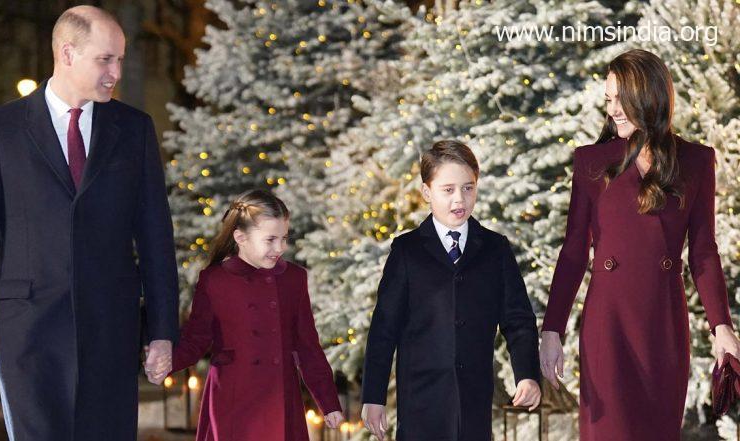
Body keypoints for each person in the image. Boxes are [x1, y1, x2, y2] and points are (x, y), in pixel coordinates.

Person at [0, 6, 179, 440]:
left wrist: (163, 331)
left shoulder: (134, 130)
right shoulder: (2, 128)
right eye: (105, 59)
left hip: (111, 328)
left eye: (120, 59)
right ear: (67, 53)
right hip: (27, 330)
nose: (115, 71)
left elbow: (155, 237)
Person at [540, 49, 740, 440]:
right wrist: (552, 331)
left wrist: (722, 326)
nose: (612, 109)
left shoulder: (697, 161)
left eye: (620, 99)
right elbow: (573, 253)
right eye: (608, 100)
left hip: (663, 327)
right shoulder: (591, 162)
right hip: (607, 326)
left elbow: (703, 251)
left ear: (647, 97)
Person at [361, 140, 541, 441]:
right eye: (448, 190)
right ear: (427, 192)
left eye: (468, 188)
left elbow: (518, 320)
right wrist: (373, 396)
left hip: (474, 402)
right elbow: (384, 329)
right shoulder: (406, 252)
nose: (460, 198)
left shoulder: (496, 250)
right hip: (420, 403)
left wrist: (526, 374)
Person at [163, 189, 344, 441]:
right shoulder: (215, 280)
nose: (280, 247)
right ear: (240, 237)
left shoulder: (293, 278)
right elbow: (197, 339)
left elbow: (307, 346)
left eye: (284, 238)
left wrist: (329, 401)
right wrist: (166, 362)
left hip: (279, 396)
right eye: (270, 239)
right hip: (233, 400)